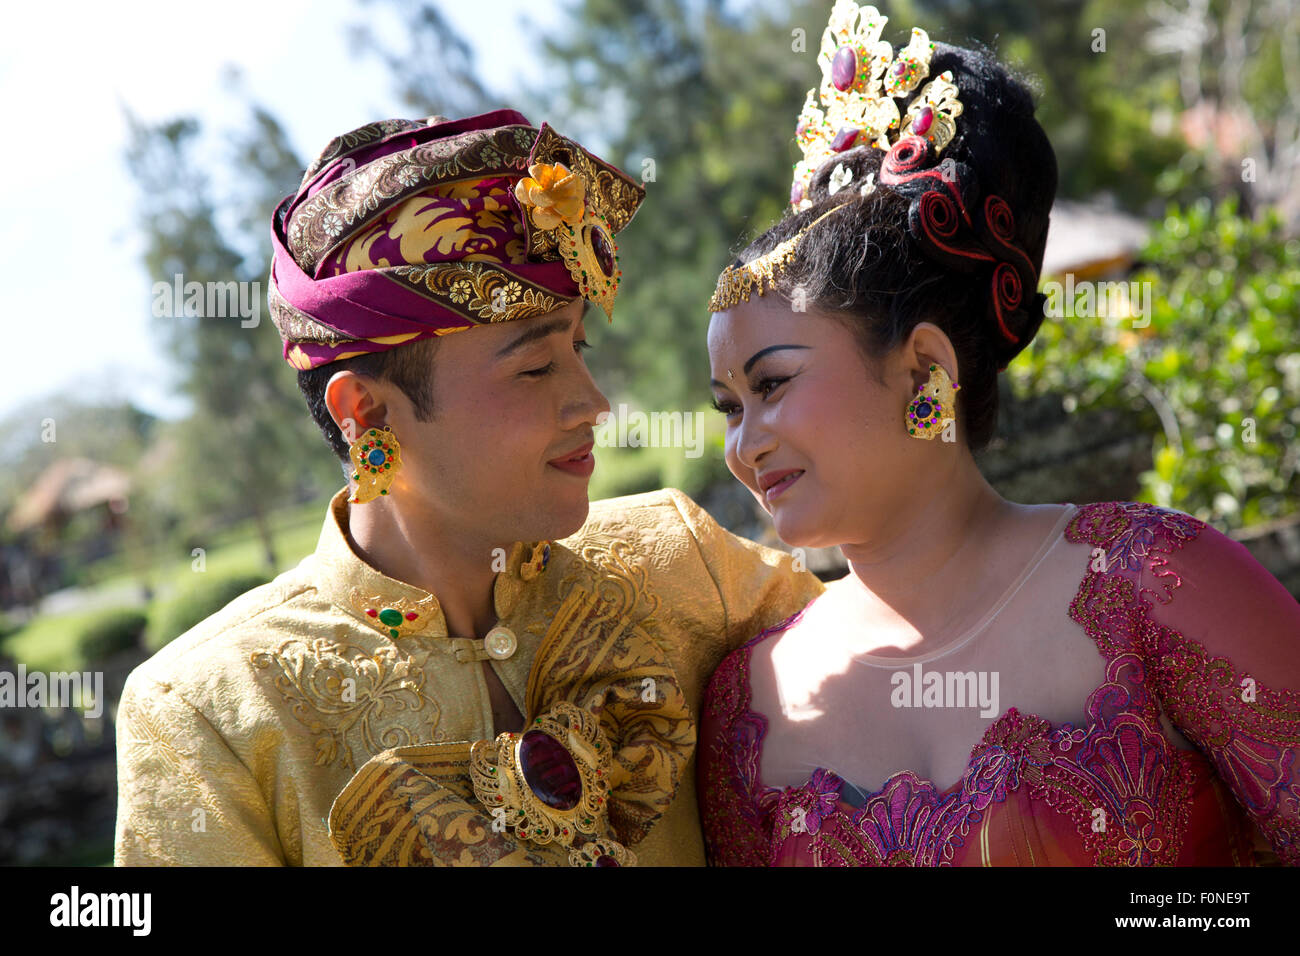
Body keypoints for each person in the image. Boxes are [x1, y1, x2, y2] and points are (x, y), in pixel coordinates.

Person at [113, 109, 823, 867]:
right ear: (369, 412)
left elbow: (910, 653)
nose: (594, 402)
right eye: (535, 365)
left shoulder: (679, 564)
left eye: (578, 346)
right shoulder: (214, 714)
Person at [698, 3, 1300, 866]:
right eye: (727, 405)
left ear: (925, 372)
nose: (743, 443)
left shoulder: (1154, 584)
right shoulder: (745, 706)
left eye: (772, 385)